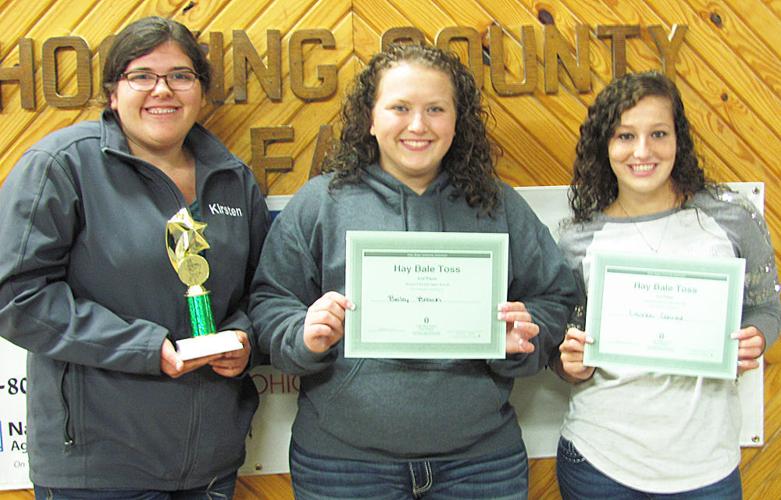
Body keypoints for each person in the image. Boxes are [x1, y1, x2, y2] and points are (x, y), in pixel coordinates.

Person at [249, 43, 577, 499]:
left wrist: (525, 336)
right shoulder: (321, 202)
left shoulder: (497, 204)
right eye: (400, 107)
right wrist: (302, 333)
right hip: (343, 468)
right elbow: (269, 302)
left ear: (457, 120)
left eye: (436, 109)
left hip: (479, 465)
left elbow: (555, 295)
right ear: (371, 116)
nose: (418, 125)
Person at [0, 16, 269, 499]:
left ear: (200, 91)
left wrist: (245, 338)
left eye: (180, 76)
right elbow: (15, 298)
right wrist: (143, 348)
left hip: (209, 466)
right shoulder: (62, 166)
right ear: (112, 92)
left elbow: (262, 293)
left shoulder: (232, 177)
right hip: (99, 468)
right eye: (141, 75)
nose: (162, 90)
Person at [554, 71, 781, 499]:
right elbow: (561, 343)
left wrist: (757, 337)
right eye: (625, 136)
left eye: (658, 133)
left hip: (707, 466)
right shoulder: (577, 237)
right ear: (605, 145)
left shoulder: (730, 216)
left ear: (679, 139)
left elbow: (766, 307)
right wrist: (568, 362)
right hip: (600, 462)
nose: (643, 151)